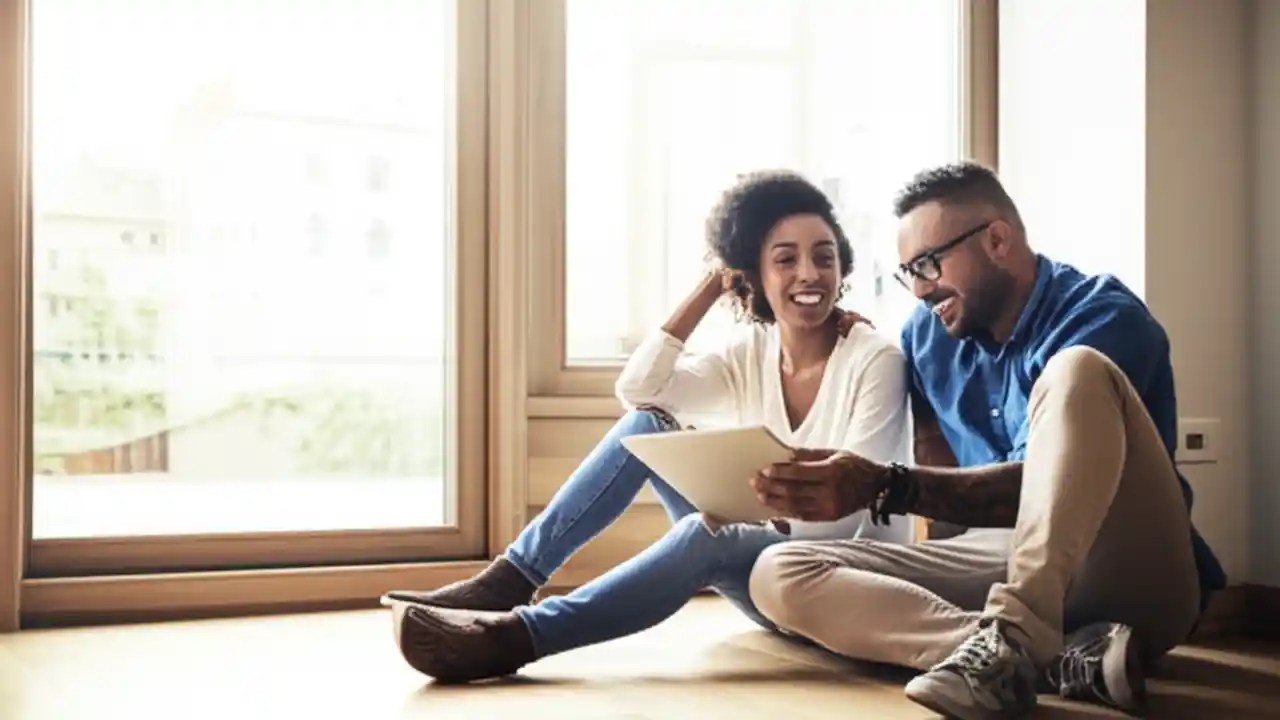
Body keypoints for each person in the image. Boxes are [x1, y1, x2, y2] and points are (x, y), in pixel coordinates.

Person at [383, 170, 914, 683]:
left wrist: (744, 512)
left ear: (841, 270)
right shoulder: (751, 354)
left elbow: (842, 520)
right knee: (646, 426)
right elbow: (640, 390)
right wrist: (709, 287)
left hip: (832, 583)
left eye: (824, 258)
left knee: (708, 531)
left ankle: (516, 638)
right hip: (763, 576)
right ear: (751, 273)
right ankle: (510, 580)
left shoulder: (875, 361)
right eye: (785, 259)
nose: (809, 274)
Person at [747, 162, 1226, 719]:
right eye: (908, 273)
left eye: (928, 264)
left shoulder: (1103, 316)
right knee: (779, 571)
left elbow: (1041, 488)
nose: (921, 290)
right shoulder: (926, 337)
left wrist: (883, 485)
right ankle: (1048, 658)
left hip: (1124, 563)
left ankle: (1019, 639)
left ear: (997, 240)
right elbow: (945, 483)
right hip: (1003, 556)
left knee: (1075, 371)